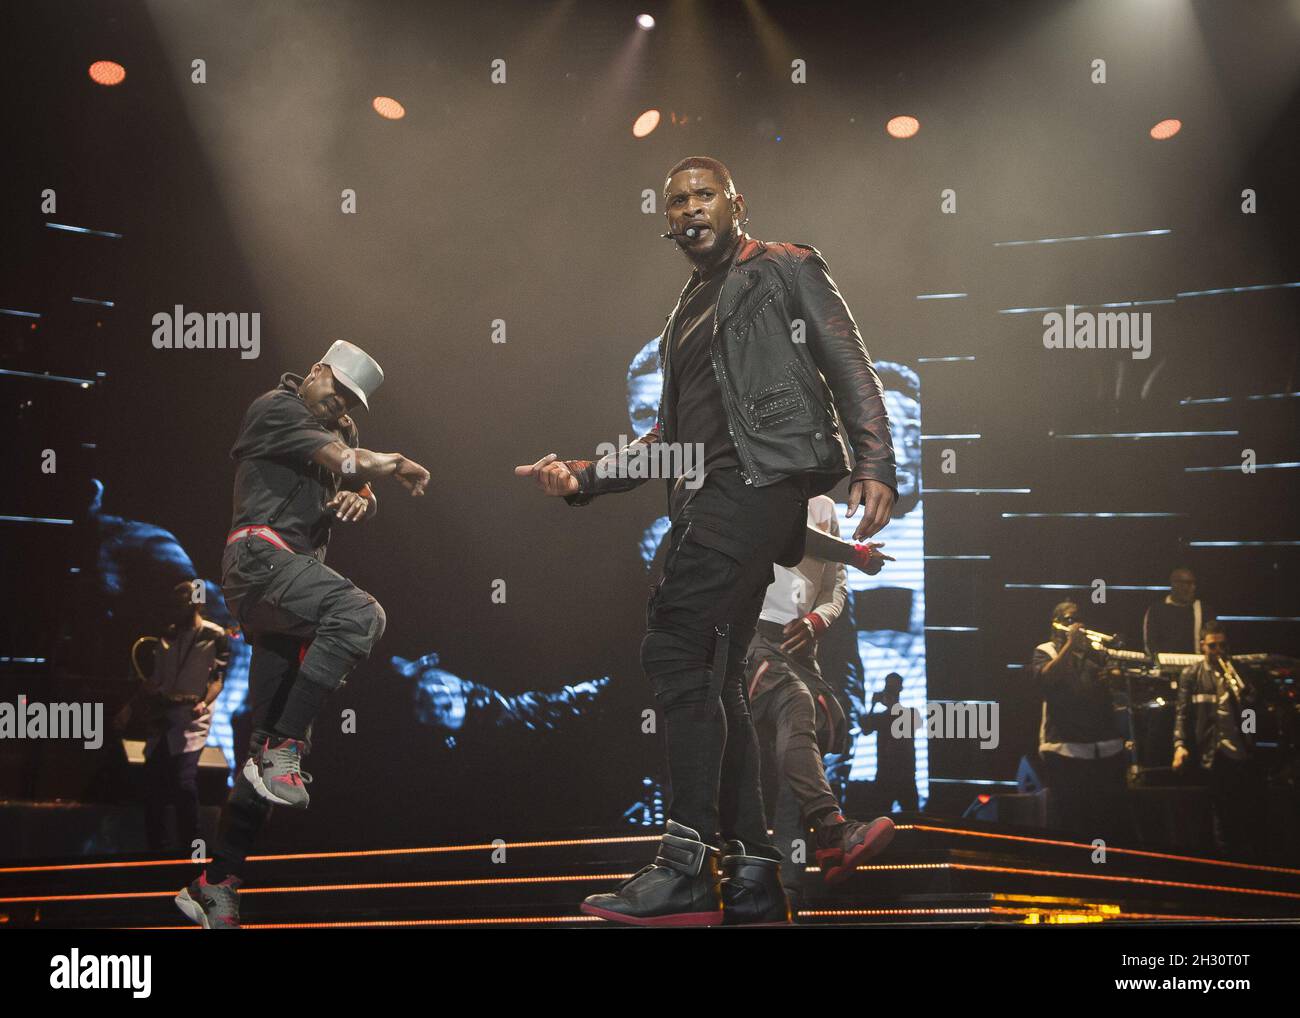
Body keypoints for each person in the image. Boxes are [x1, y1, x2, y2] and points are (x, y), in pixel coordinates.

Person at [516, 155, 897, 926]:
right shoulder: (683, 315)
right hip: (709, 502)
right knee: (716, 678)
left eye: (703, 194)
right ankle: (753, 874)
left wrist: (875, 461)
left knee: (676, 644)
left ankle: (686, 864)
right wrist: (583, 476)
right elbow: (668, 439)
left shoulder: (783, 268)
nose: (690, 207)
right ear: (666, 220)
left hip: (759, 490)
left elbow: (845, 355)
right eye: (676, 200)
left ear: (734, 203)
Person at [175, 340, 430, 929]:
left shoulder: (337, 430)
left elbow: (349, 478)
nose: (336, 405)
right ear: (314, 372)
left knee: (266, 753)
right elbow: (349, 462)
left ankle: (215, 884)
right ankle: (280, 751)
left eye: (347, 401)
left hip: (283, 596)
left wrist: (360, 499)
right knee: (360, 614)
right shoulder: (277, 407)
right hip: (261, 563)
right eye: (334, 391)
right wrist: (388, 465)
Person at [746, 495, 895, 892]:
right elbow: (790, 533)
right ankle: (833, 832)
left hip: (800, 647)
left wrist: (816, 619)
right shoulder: (758, 483)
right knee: (795, 706)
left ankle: (789, 882)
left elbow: (835, 585)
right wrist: (858, 553)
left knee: (816, 736)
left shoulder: (825, 507)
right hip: (752, 636)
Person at [114, 580, 229, 852]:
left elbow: (217, 679)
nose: (179, 608)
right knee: (153, 782)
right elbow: (155, 679)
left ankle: (192, 847)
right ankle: (157, 848)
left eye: (184, 603)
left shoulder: (215, 635)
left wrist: (203, 703)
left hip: (191, 717)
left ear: (197, 604)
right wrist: (130, 707)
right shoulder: (169, 634)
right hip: (163, 714)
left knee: (183, 781)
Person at [1030, 601, 1132, 844]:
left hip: (1105, 747)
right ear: (1055, 624)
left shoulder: (1096, 651)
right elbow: (1047, 679)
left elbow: (1120, 690)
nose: (1074, 624)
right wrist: (1069, 645)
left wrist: (1116, 678)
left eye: (1077, 619)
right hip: (1066, 750)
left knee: (1110, 822)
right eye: (1067, 619)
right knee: (1072, 823)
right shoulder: (1046, 650)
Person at [1173, 622, 1267, 860]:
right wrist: (1180, 745)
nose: (1218, 651)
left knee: (1246, 809)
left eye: (1222, 646)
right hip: (1212, 752)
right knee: (1218, 811)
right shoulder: (1191, 674)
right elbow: (1182, 713)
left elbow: (1253, 712)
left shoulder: (1240, 670)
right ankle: (1225, 862)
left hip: (1242, 751)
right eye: (1212, 646)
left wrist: (1250, 730)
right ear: (1202, 646)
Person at [1144, 566, 1213, 657]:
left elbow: (1214, 640)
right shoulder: (1156, 610)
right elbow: (1150, 643)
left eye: (1194, 584)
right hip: (1165, 666)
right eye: (1188, 583)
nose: (1192, 588)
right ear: (1175, 584)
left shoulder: (1203, 609)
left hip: (1196, 666)